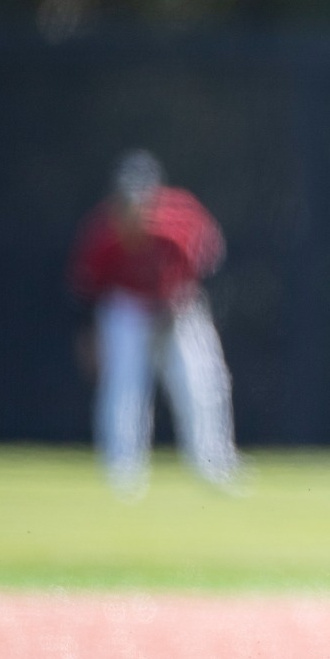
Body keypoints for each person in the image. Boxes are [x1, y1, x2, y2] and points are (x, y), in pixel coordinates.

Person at [69, 150, 242, 497]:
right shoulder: (105, 231)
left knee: (201, 385)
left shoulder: (182, 218)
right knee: (125, 388)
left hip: (178, 304)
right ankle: (123, 471)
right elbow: (86, 289)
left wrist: (183, 301)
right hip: (127, 308)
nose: (136, 208)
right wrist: (91, 336)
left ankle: (214, 464)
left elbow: (210, 261)